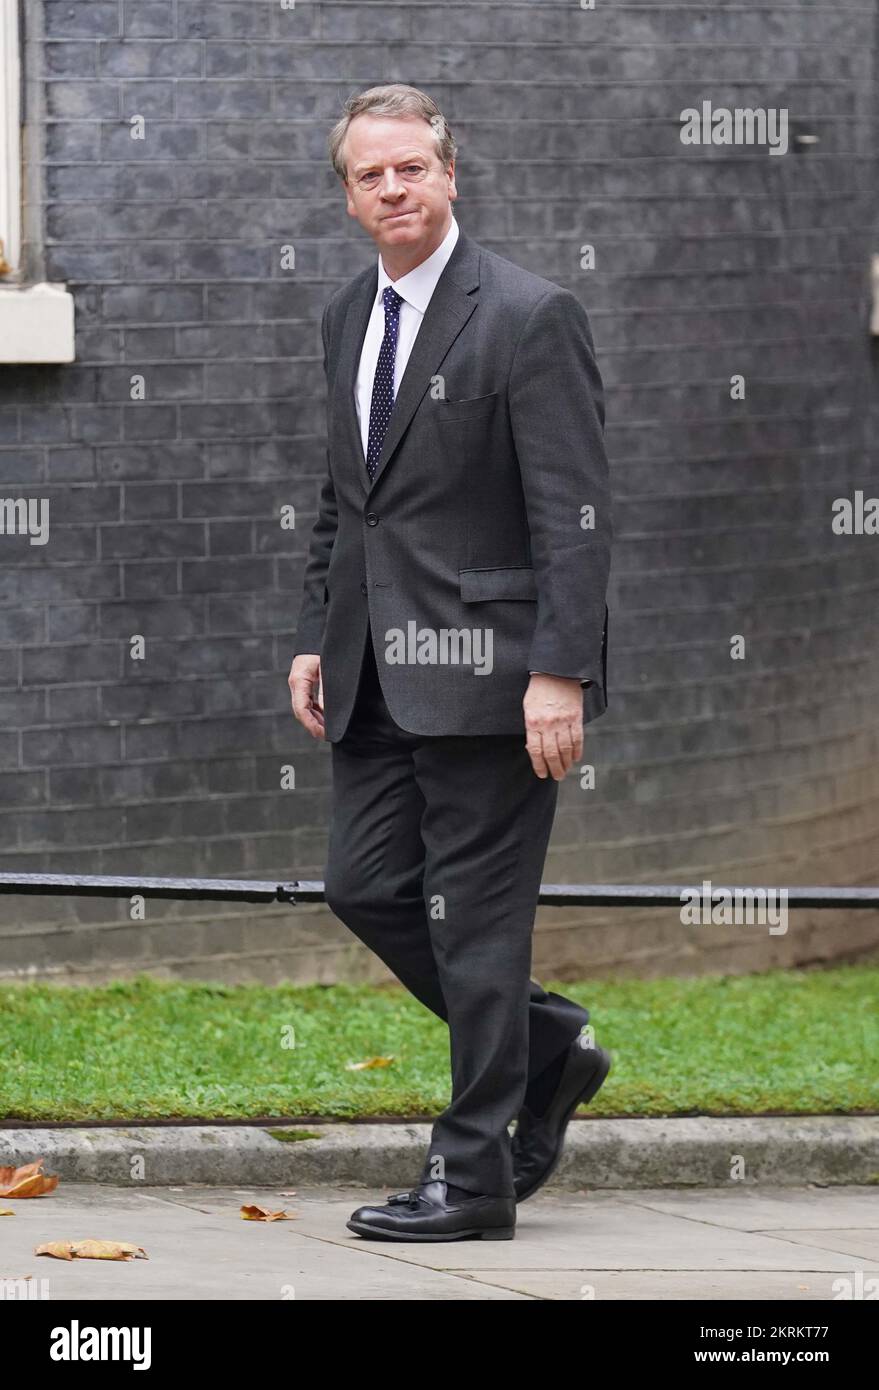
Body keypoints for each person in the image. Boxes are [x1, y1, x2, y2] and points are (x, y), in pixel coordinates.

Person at [288, 83, 612, 1242]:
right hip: (373, 672)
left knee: (476, 926)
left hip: (491, 679)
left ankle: (474, 1178)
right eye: (370, 175)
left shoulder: (528, 313)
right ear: (348, 196)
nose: (394, 188)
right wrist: (317, 632)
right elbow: (346, 502)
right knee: (364, 885)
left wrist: (560, 671)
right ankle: (548, 1045)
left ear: (450, 173)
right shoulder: (343, 318)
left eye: (412, 168)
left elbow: (573, 509)